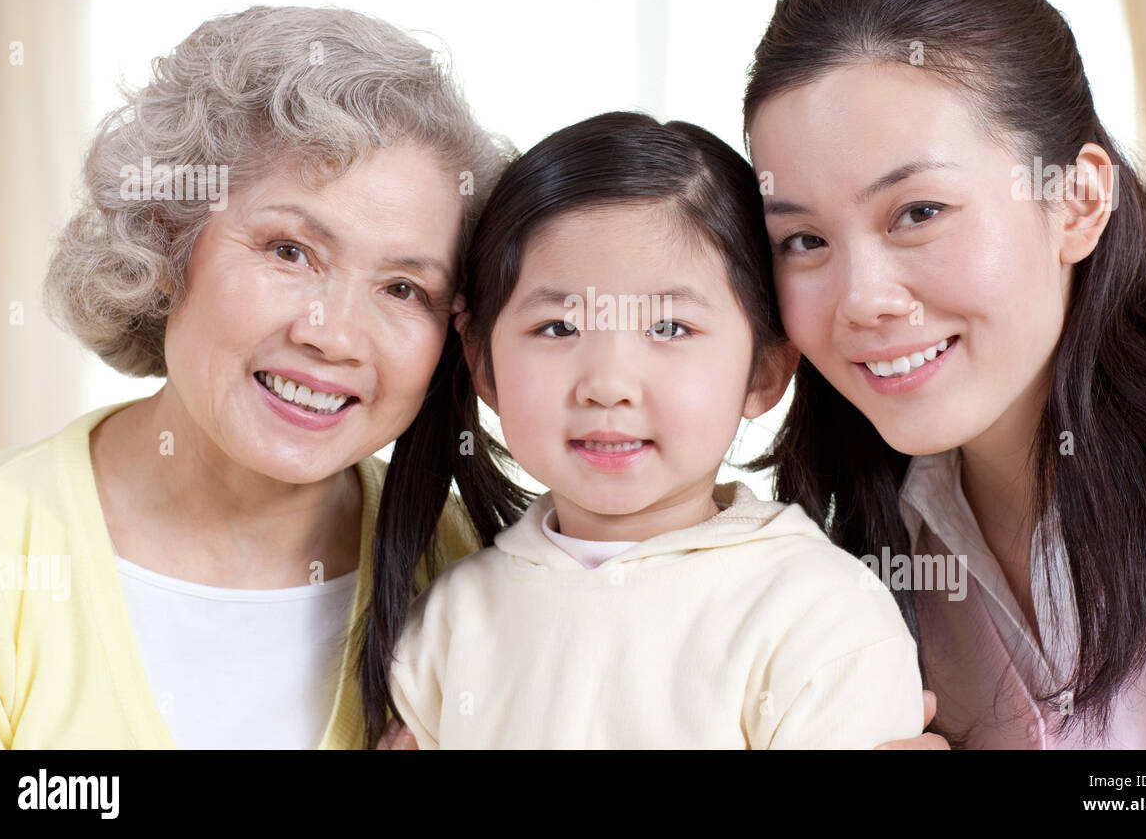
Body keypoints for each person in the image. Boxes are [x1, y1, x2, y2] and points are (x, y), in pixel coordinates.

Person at [744, 0, 1146, 747]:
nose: (863, 301)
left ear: (1079, 202)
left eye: (918, 212)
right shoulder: (852, 548)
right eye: (803, 241)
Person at [0, 5, 522, 748]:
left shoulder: (477, 574)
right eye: (290, 251)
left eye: (403, 289)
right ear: (169, 238)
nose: (332, 335)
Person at [368, 111, 925, 748]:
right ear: (483, 366)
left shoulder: (821, 616)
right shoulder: (449, 619)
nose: (607, 382)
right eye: (558, 328)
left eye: (668, 329)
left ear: (765, 372)